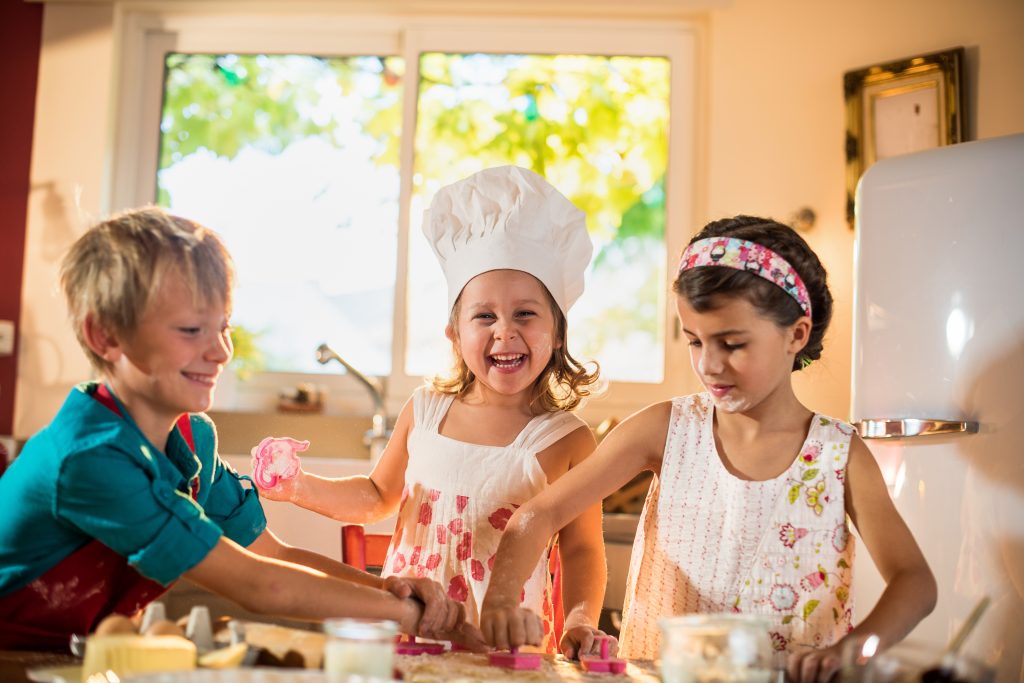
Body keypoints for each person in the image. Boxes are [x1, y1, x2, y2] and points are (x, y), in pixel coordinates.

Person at [479, 215, 937, 681]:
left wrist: (856, 648)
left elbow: (915, 582)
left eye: (732, 343)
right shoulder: (664, 429)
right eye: (695, 341)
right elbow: (539, 516)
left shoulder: (839, 456)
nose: (709, 364)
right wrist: (501, 601)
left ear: (796, 335)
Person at [0, 207, 474, 651]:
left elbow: (273, 556)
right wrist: (413, 618)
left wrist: (387, 588)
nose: (222, 351)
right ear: (105, 336)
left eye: (222, 326)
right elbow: (260, 584)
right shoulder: (89, 458)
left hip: (64, 656)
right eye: (191, 331)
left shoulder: (191, 441)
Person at [257, 166, 611, 658]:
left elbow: (582, 549)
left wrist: (578, 620)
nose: (504, 332)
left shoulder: (567, 440)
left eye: (525, 314)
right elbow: (377, 495)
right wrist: (299, 487)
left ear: (557, 332)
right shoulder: (424, 411)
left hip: (501, 647)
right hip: (406, 630)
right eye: (484, 316)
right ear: (454, 333)